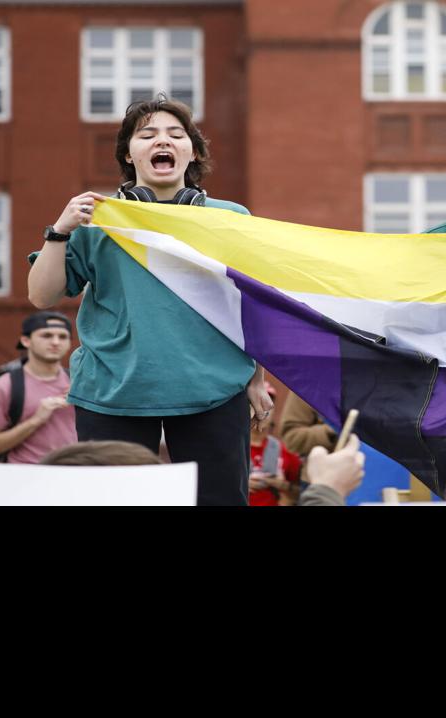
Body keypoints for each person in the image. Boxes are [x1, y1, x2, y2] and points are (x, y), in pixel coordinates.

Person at [26, 96, 271, 505]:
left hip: (213, 390)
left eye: (177, 134)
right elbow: (41, 295)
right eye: (149, 134)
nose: (164, 141)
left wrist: (257, 378)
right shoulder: (97, 219)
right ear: (129, 152)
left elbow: (254, 305)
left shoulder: (230, 219)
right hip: (112, 393)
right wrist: (61, 231)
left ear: (192, 152)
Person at [0, 311, 78, 463]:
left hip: (74, 477)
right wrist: (35, 420)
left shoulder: (79, 384)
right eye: (46, 335)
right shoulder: (4, 387)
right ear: (26, 341)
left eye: (62, 337)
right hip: (23, 479)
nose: (56, 342)